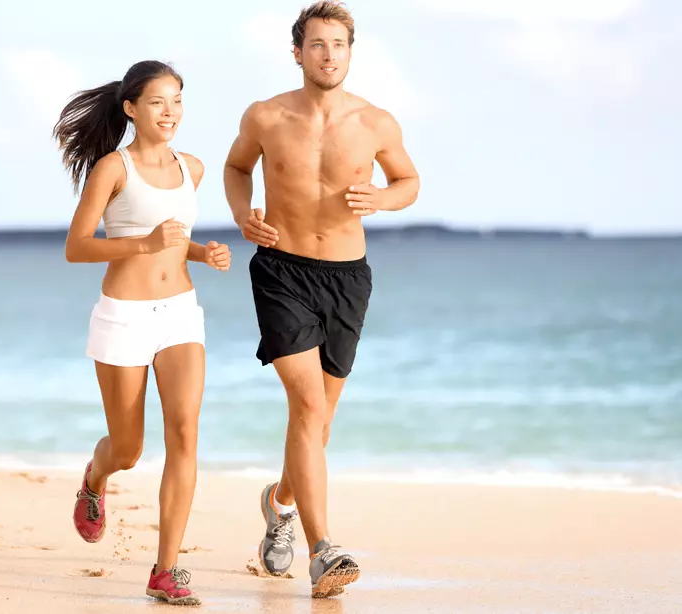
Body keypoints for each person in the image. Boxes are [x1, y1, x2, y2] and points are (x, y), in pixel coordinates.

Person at [222, 1, 420, 599]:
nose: (328, 54)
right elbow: (237, 167)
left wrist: (380, 201)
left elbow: (409, 181)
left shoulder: (376, 122)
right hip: (281, 271)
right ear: (297, 52)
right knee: (307, 406)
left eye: (339, 44)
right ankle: (323, 549)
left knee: (319, 421)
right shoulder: (266, 115)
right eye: (317, 44)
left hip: (347, 277)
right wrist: (242, 215)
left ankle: (279, 502)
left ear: (350, 51)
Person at [54, 60, 231, 606]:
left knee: (184, 435)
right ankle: (95, 476)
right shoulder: (113, 168)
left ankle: (166, 569)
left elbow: (174, 241)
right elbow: (77, 247)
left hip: (180, 313)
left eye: (177, 100)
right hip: (124, 317)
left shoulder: (192, 168)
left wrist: (204, 252)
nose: (170, 111)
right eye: (158, 101)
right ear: (131, 108)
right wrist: (144, 244)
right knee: (128, 448)